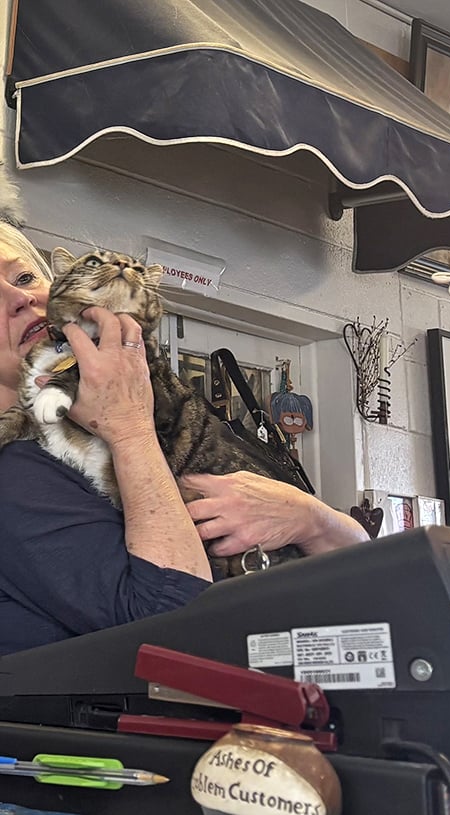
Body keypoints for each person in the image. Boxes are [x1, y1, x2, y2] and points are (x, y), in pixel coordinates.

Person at [0, 224, 368, 655]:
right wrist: (131, 428)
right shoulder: (16, 474)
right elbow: (179, 632)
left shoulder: (160, 402)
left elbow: (369, 573)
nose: (20, 299)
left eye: (24, 277)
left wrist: (310, 517)